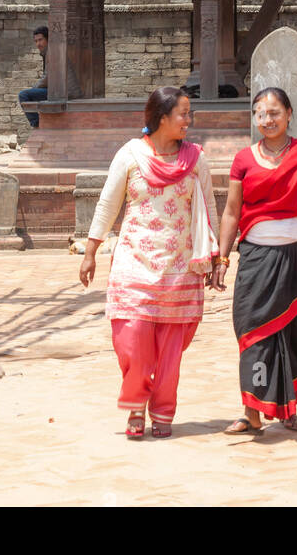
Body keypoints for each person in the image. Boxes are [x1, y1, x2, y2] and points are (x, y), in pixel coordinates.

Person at [79, 85, 219, 438]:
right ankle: (136, 404)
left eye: (190, 114)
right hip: (133, 261)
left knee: (171, 349)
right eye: (183, 114)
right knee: (132, 336)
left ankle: (162, 410)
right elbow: (108, 205)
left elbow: (210, 208)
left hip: (180, 265)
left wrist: (215, 257)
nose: (189, 121)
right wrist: (91, 250)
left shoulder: (196, 159)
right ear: (161, 117)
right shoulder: (129, 155)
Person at [213, 87, 297, 434]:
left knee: (295, 332)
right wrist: (222, 256)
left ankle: (289, 408)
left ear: (290, 114)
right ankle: (252, 410)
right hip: (258, 257)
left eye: (275, 112)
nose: (268, 119)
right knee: (253, 329)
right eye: (261, 113)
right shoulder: (243, 159)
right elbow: (232, 211)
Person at [18, 25, 81, 127]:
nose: (38, 44)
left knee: (24, 95)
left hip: (66, 92)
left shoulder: (52, 52)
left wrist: (34, 88)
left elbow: (47, 78)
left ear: (48, 39)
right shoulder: (50, 51)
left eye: (40, 40)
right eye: (36, 41)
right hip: (60, 90)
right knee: (33, 94)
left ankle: (37, 125)